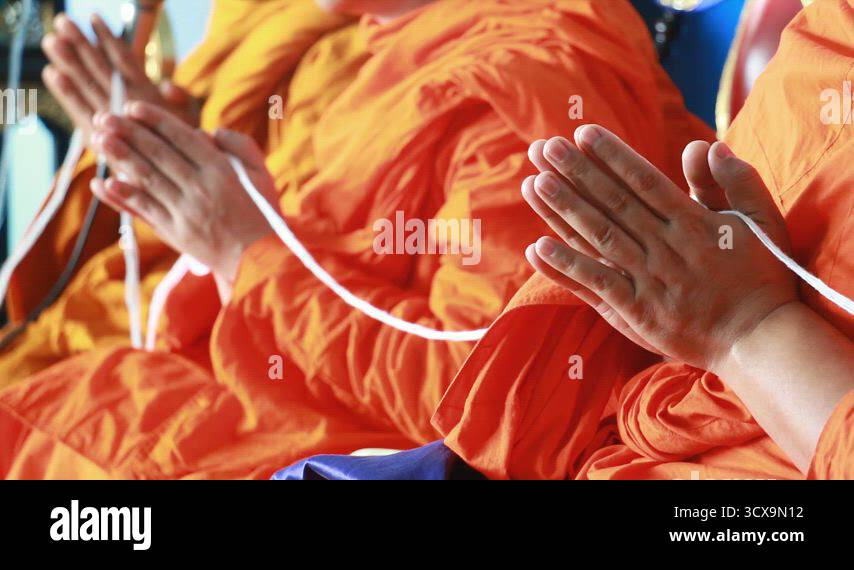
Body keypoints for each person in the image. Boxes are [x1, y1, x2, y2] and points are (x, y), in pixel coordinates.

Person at [0, 0, 711, 479]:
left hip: (349, 443)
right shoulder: (396, 38)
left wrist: (247, 252)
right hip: (256, 375)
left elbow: (498, 406)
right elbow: (343, 242)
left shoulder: (529, 79)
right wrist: (188, 176)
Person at [431, 0, 853, 480]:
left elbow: (445, 365)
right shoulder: (830, 27)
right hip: (626, 435)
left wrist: (748, 331)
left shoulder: (528, 61)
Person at [0, 0, 361, 384]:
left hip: (229, 326)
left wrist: (186, 162)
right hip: (122, 297)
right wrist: (151, 143)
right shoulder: (252, 10)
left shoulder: (380, 46)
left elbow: (296, 217)